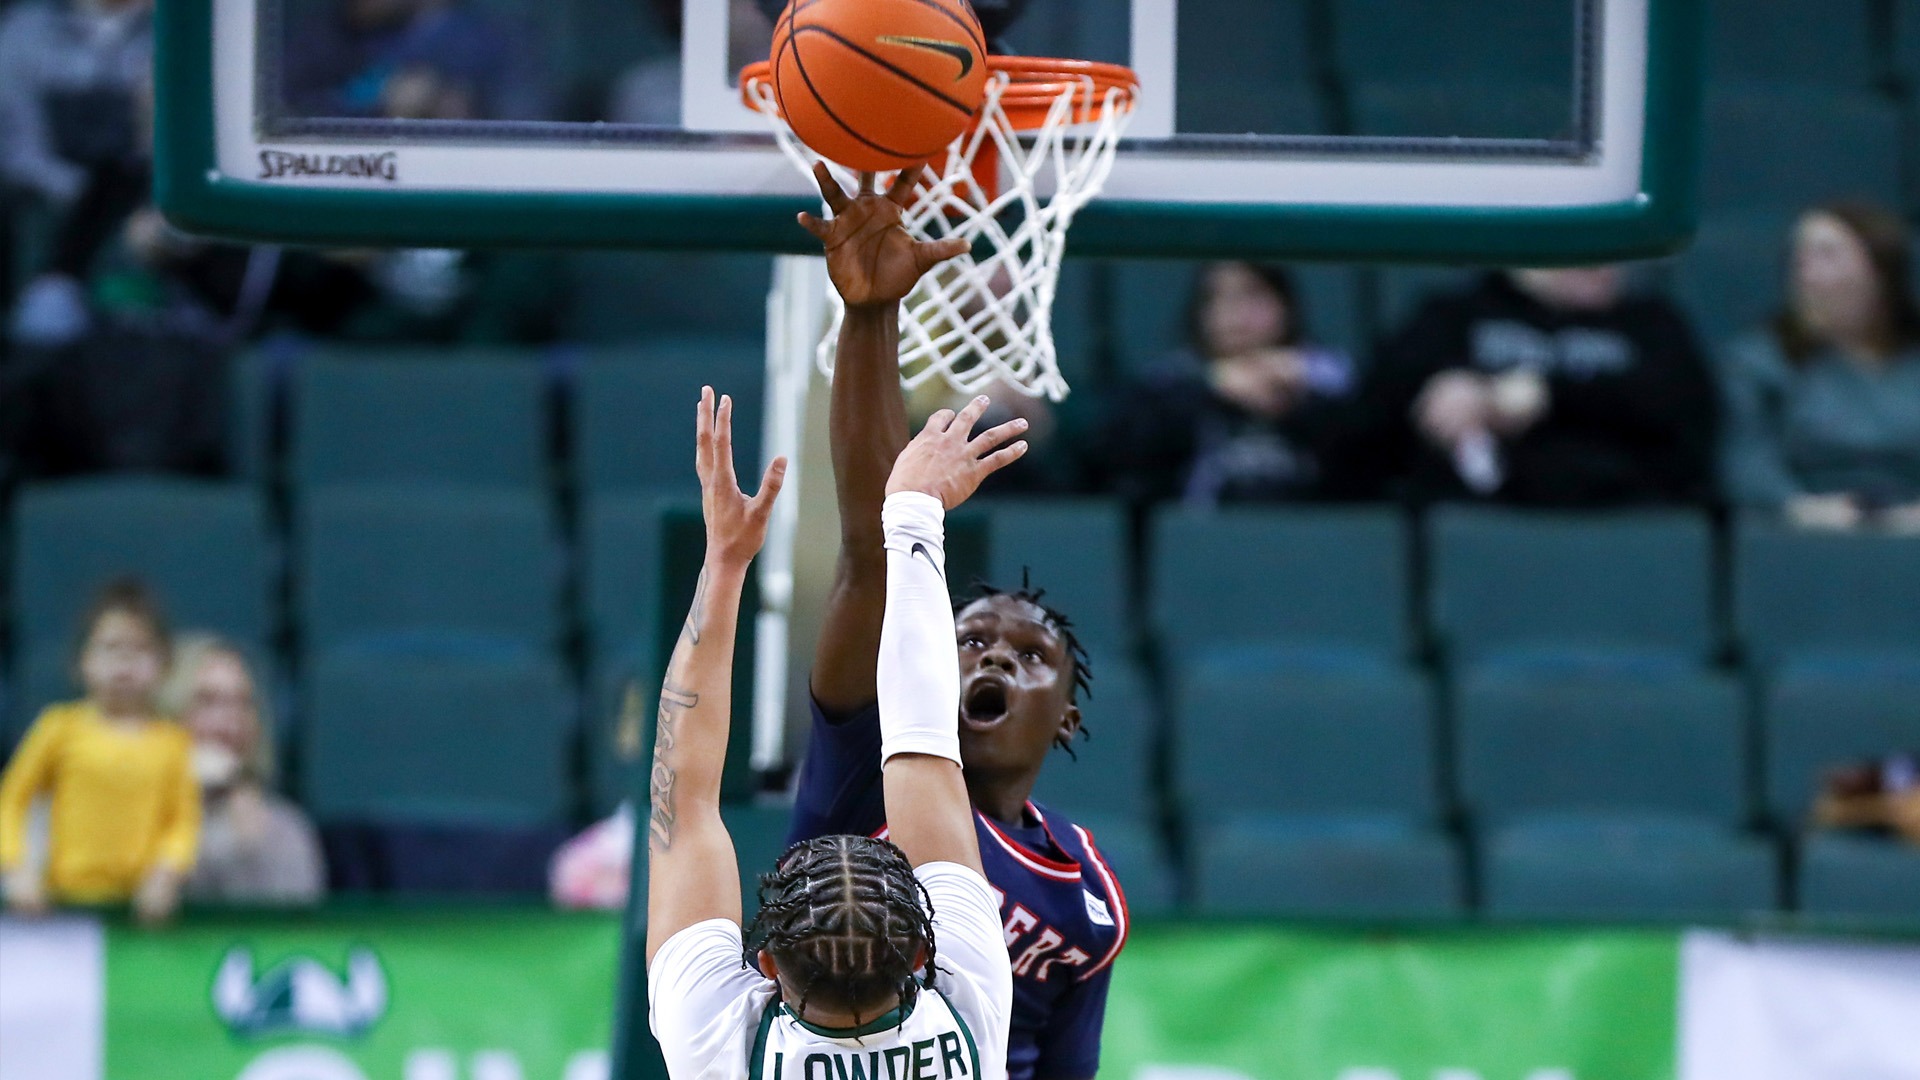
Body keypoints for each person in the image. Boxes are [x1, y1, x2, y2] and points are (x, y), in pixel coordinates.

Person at [786, 164, 1129, 1080]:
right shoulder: (867, 766)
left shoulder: (1089, 896)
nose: (994, 659)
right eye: (969, 638)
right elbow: (868, 552)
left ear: (1067, 718)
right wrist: (869, 317)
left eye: (1030, 656)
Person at [645, 384, 1022, 1074]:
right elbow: (924, 750)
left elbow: (688, 798)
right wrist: (911, 514)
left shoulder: (719, 1041)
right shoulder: (966, 1010)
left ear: (765, 966)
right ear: (919, 953)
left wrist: (725, 563)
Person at [1334, 266, 1719, 506]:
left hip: (1630, 522)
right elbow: (1370, 420)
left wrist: (1550, 395)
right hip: (1479, 526)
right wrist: (1444, 391)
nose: (1602, 264)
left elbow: (1684, 415)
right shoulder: (1454, 315)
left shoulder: (1652, 323)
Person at [0, 579, 199, 925]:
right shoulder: (58, 727)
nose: (124, 663)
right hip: (61, 908)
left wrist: (166, 873)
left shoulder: (173, 743)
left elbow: (182, 821)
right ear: (82, 661)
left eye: (139, 649)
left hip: (140, 914)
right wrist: (16, 869)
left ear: (164, 664)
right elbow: (11, 801)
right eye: (110, 648)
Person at [1718, 201, 1920, 530]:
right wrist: (1797, 507)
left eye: (1827, 255)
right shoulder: (1760, 359)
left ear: (1881, 271)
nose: (1807, 274)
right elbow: (1744, 459)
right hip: (1802, 536)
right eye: (1799, 259)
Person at [1095, 261, 1358, 504]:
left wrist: (1298, 399)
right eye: (1215, 297)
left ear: (1284, 304)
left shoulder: (1331, 380)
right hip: (1201, 543)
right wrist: (1211, 388)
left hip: (1316, 541)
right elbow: (1123, 458)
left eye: (1251, 294)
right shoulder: (1170, 384)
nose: (1233, 311)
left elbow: (1365, 461)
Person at [162, 636, 326, 907]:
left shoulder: (286, 829)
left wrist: (247, 845)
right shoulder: (135, 816)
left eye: (242, 703)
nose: (229, 722)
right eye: (207, 702)